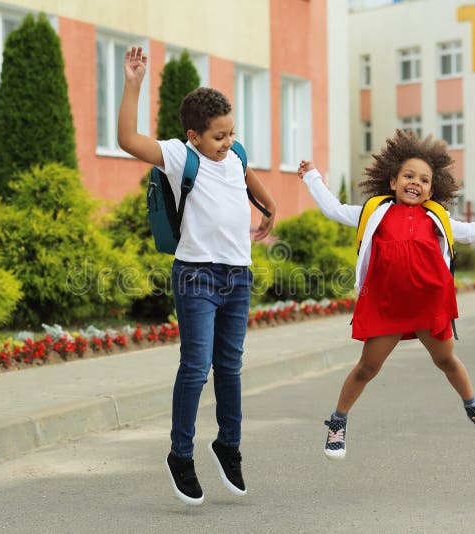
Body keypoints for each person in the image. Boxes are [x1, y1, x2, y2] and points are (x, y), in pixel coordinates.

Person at [296, 129, 475, 460]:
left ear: (432, 190)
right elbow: (334, 209)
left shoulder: (436, 218)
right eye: (408, 176)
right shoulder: (373, 213)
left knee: (446, 360)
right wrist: (312, 177)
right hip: (388, 306)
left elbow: (471, 232)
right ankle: (338, 422)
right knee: (367, 368)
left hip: (428, 305)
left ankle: (474, 407)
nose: (415, 183)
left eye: (423, 180)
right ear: (392, 181)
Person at [117, 46, 277, 504]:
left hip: (237, 278)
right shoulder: (177, 156)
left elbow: (247, 175)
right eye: (218, 137)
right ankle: (180, 455)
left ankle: (228, 445)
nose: (227, 142)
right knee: (195, 367)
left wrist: (270, 207)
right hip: (196, 277)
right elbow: (129, 139)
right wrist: (133, 84)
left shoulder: (235, 153)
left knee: (230, 367)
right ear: (194, 135)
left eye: (231, 133)